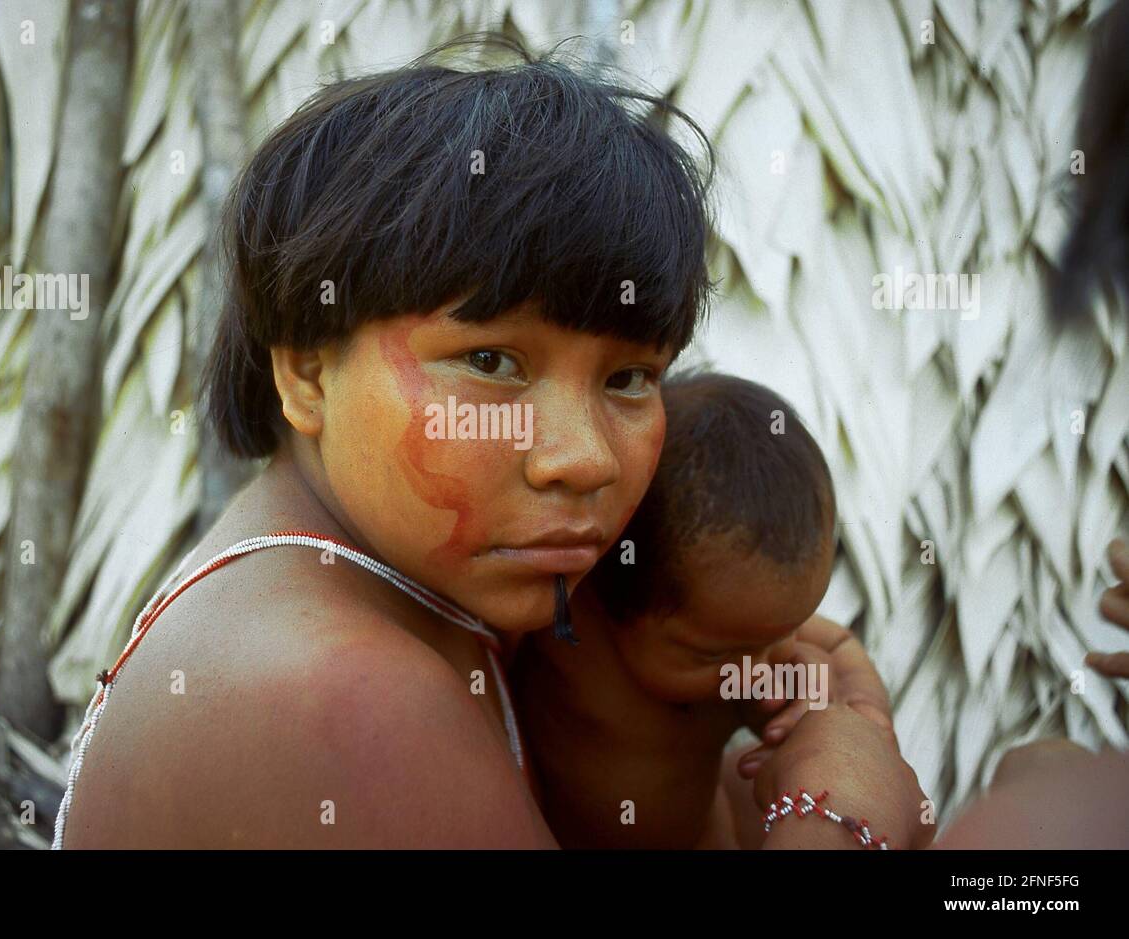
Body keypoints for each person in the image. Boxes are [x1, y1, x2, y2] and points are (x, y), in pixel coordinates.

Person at [53, 35, 717, 848]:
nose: (584, 458)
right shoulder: (340, 694)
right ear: (306, 372)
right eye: (489, 361)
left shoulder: (408, 594)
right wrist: (840, 805)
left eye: (630, 379)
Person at [511, 372, 932, 848]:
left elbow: (835, 641)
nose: (759, 668)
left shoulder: (742, 639)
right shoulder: (558, 632)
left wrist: (860, 712)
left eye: (784, 632)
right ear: (594, 590)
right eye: (717, 655)